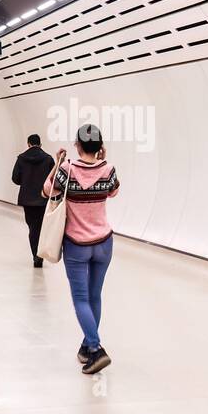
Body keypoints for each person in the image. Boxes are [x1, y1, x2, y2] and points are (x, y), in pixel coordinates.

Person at [44, 123, 119, 375]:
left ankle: (96, 349)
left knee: (80, 299)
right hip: (104, 243)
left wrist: (57, 162)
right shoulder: (108, 169)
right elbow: (113, 191)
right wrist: (103, 160)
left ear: (77, 145)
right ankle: (87, 346)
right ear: (99, 146)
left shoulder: (67, 170)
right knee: (94, 296)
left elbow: (47, 190)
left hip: (77, 245)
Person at [11, 133, 54, 267]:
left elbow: (15, 179)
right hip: (43, 199)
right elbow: (54, 179)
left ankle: (36, 255)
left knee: (32, 228)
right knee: (41, 227)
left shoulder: (21, 158)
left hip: (27, 200)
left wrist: (26, 180)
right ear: (40, 144)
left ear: (28, 144)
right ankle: (39, 254)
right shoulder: (48, 159)